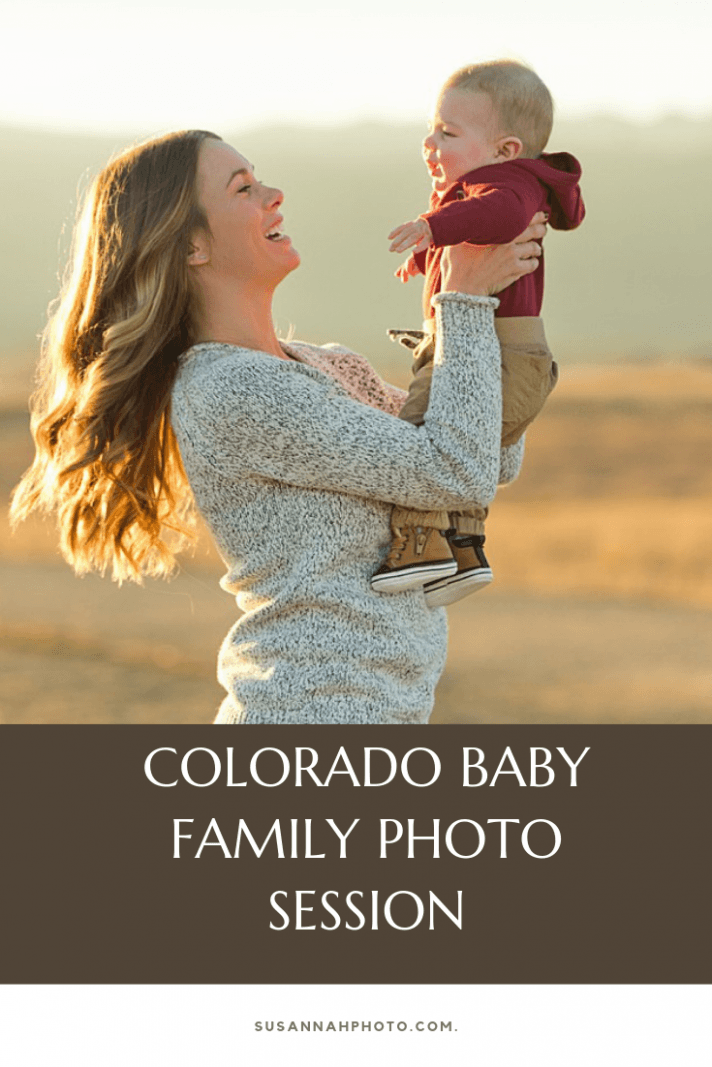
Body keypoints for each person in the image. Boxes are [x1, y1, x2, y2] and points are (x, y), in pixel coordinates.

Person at [10, 130, 546, 725]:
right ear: (192, 245)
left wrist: (501, 303)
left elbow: (489, 457)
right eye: (245, 188)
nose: (274, 195)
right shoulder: (231, 388)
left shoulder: (329, 366)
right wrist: (464, 299)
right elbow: (455, 473)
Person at [371, 60, 585, 605]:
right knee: (467, 454)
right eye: (431, 128)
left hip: (499, 356)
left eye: (448, 132)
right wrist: (428, 256)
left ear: (506, 149)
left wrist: (432, 227)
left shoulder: (505, 187)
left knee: (420, 436)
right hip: (510, 358)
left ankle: (417, 547)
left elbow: (499, 218)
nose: (430, 142)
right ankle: (463, 547)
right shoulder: (495, 184)